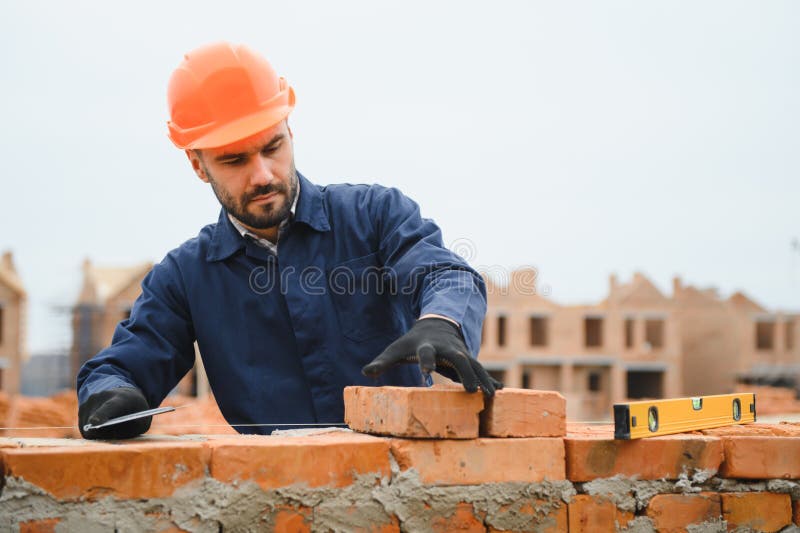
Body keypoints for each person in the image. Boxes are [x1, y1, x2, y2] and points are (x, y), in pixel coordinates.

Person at [77, 42, 500, 440]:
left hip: (400, 491)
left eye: (271, 147)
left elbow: (444, 272)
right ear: (197, 165)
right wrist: (109, 397)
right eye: (235, 159)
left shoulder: (373, 215)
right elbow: (121, 367)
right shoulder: (184, 278)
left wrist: (443, 321)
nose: (262, 174)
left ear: (289, 131)